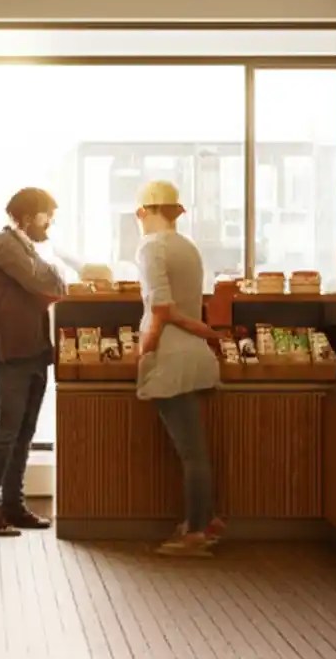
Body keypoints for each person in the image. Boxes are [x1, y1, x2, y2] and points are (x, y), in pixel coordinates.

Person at [132, 180, 228, 557]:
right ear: (177, 212)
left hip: (171, 358)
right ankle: (205, 519)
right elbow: (183, 307)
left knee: (192, 452)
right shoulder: (188, 248)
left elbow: (159, 309)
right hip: (195, 355)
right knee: (195, 448)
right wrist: (203, 330)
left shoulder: (149, 247)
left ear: (143, 212)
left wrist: (145, 350)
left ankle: (196, 533)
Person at [0, 187, 67, 536]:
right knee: (7, 432)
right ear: (27, 216)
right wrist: (53, 274)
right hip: (12, 352)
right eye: (46, 216)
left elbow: (53, 284)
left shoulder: (25, 249)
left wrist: (51, 276)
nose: (50, 223)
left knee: (24, 433)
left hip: (34, 351)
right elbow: (43, 281)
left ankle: (13, 505)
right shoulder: (2, 246)